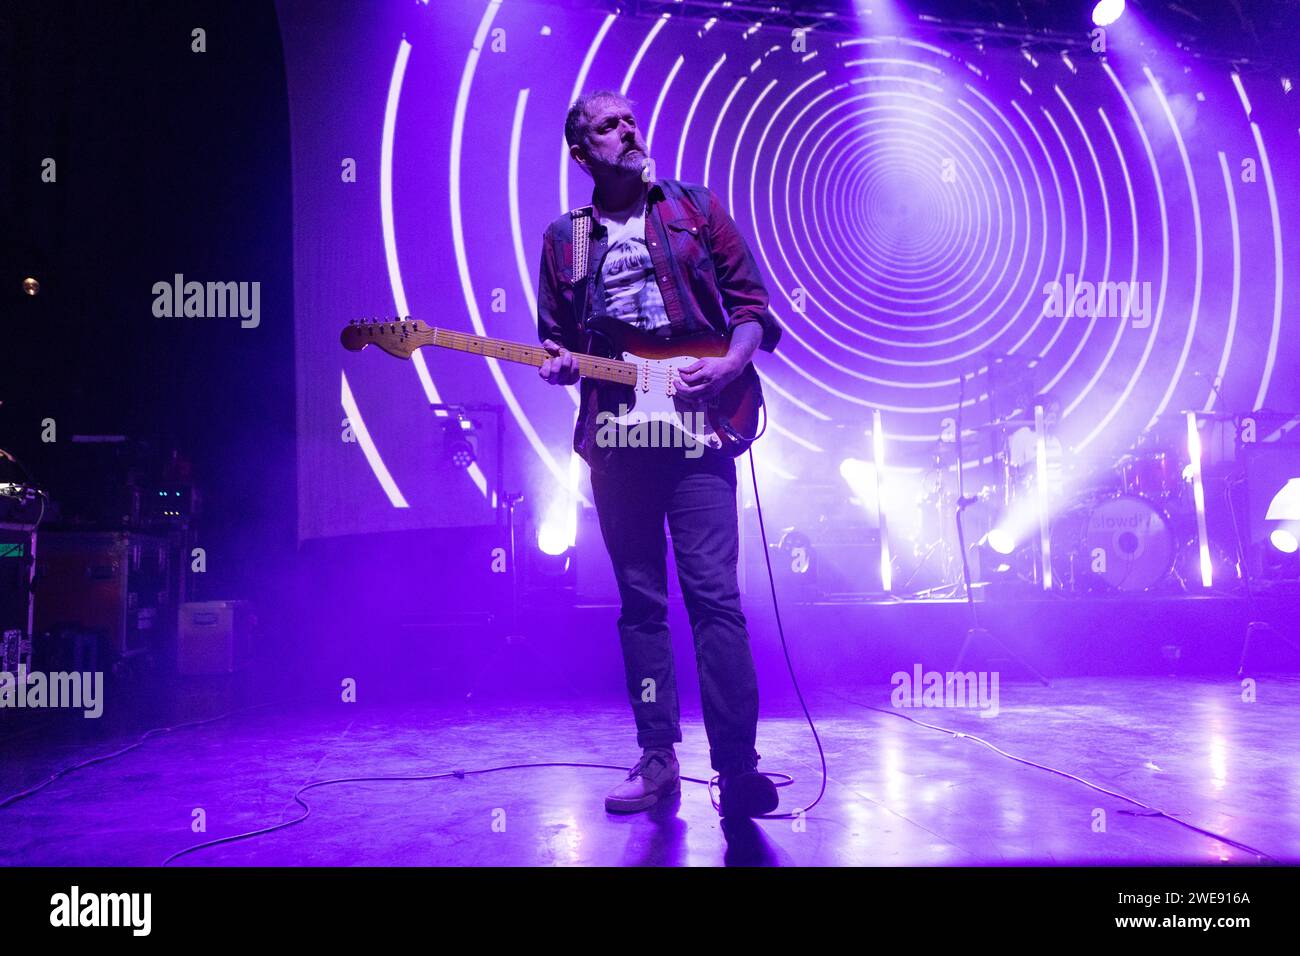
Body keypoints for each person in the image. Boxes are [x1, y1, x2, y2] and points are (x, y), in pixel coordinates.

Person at [535, 90, 782, 818]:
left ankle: (738, 768)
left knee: (716, 600)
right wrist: (558, 363)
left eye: (630, 119)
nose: (629, 130)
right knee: (642, 609)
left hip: (702, 429)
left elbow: (751, 308)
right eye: (609, 126)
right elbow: (557, 338)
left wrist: (733, 366)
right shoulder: (565, 238)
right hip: (619, 439)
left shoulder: (696, 208)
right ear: (583, 154)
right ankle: (657, 758)